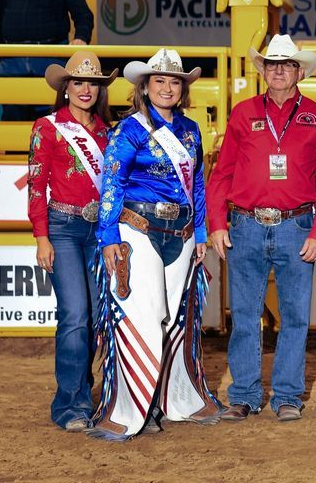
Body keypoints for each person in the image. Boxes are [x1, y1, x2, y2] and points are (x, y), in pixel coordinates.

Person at [89, 48, 221, 440]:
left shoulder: (190, 130)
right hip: (138, 228)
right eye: (159, 80)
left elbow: (196, 183)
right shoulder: (129, 129)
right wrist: (108, 235)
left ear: (183, 88)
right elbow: (110, 183)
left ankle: (172, 399)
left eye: (174, 81)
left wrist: (200, 231)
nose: (167, 87)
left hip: (179, 232)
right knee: (142, 316)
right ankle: (132, 410)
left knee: (177, 318)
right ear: (144, 87)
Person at [207, 35, 316, 423]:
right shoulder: (243, 113)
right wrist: (216, 223)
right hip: (246, 224)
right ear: (263, 70)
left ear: (299, 71)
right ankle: (244, 394)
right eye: (271, 63)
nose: (278, 70)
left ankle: (288, 395)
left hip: (297, 224)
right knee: (244, 314)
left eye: (286, 64)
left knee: (294, 315)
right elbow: (223, 172)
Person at [28, 51, 116, 432]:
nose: (85, 89)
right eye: (78, 82)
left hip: (99, 233)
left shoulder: (107, 132)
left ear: (100, 90)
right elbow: (36, 185)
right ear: (65, 88)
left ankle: (83, 391)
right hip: (62, 228)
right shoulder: (47, 127)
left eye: (92, 83)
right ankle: (70, 404)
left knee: (97, 318)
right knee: (76, 315)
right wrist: (41, 236)